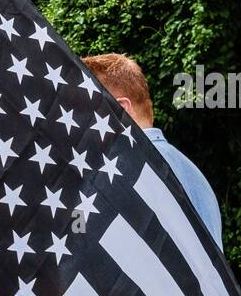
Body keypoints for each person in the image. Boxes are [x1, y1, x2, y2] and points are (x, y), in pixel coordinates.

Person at [82, 53, 223, 248]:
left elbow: (76, 239)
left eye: (86, 110)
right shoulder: (192, 174)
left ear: (119, 109)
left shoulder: (123, 173)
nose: (80, 124)